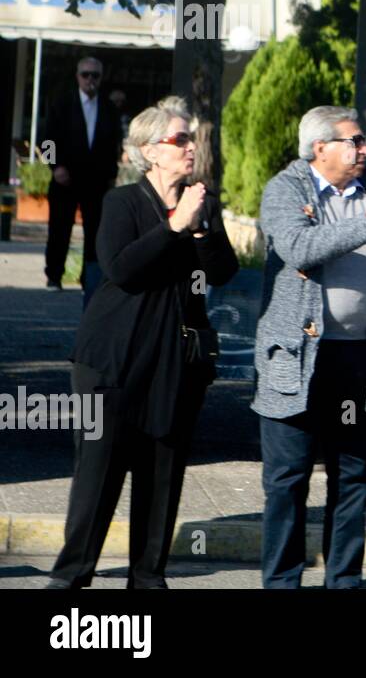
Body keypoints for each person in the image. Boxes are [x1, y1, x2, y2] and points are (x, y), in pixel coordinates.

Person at [46, 96, 237, 589]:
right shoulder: (121, 203)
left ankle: (147, 581)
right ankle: (70, 581)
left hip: (175, 364)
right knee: (98, 482)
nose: (191, 146)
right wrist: (174, 226)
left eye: (192, 138)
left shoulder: (201, 201)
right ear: (151, 151)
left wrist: (199, 230)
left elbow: (223, 271)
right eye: (180, 138)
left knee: (161, 481)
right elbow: (122, 268)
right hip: (112, 363)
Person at [254, 106, 366, 589]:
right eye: (354, 141)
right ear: (321, 148)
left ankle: (344, 581)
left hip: (355, 360)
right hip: (297, 359)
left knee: (353, 477)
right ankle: (282, 583)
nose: (364, 150)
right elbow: (298, 248)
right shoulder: (285, 189)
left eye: (364, 141)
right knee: (288, 480)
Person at [42, 56, 121, 296]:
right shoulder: (62, 103)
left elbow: (114, 145)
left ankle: (90, 278)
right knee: (59, 228)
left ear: (101, 77)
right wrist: (55, 167)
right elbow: (47, 140)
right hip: (65, 179)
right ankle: (54, 276)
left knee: (95, 231)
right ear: (77, 76)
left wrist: (111, 175)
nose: (90, 80)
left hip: (96, 182)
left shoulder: (108, 108)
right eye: (85, 74)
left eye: (95, 75)